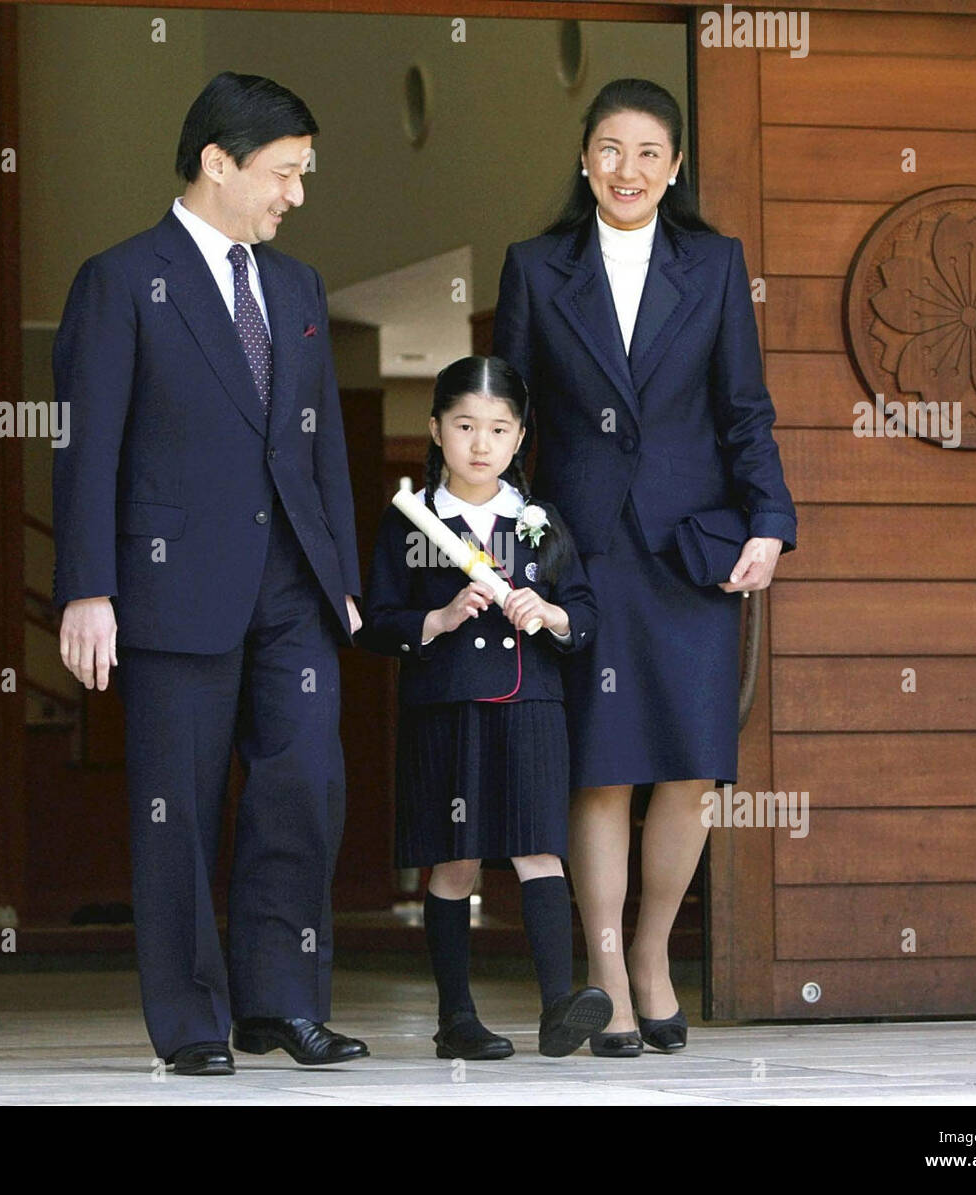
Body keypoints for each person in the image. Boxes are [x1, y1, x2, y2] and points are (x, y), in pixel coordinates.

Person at [52, 73, 368, 1075]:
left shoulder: (299, 287)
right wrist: (87, 586)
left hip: (294, 591)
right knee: (175, 809)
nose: (295, 196)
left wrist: (343, 574)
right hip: (168, 584)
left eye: (302, 176)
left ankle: (281, 1001)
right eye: (283, 174)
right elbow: (87, 446)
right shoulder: (120, 278)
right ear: (216, 163)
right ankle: (191, 1021)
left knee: (304, 784)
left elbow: (321, 448)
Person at [493, 78, 797, 1056]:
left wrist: (770, 523)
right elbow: (508, 419)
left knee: (688, 771)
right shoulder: (536, 268)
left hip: (690, 551)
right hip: (580, 552)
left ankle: (658, 955)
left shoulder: (712, 266)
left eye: (648, 153)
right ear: (584, 158)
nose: (627, 169)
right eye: (609, 149)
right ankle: (608, 978)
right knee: (601, 772)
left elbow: (744, 408)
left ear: (673, 170)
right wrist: (498, 546)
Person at [360, 356, 612, 1059]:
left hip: (531, 703)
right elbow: (376, 619)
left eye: (498, 428)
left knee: (540, 850)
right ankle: (457, 1019)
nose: (480, 442)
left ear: (519, 437)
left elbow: (585, 610)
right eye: (465, 424)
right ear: (436, 429)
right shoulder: (412, 520)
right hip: (447, 707)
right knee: (457, 861)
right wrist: (436, 620)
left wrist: (554, 613)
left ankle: (560, 1006)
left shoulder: (538, 520)